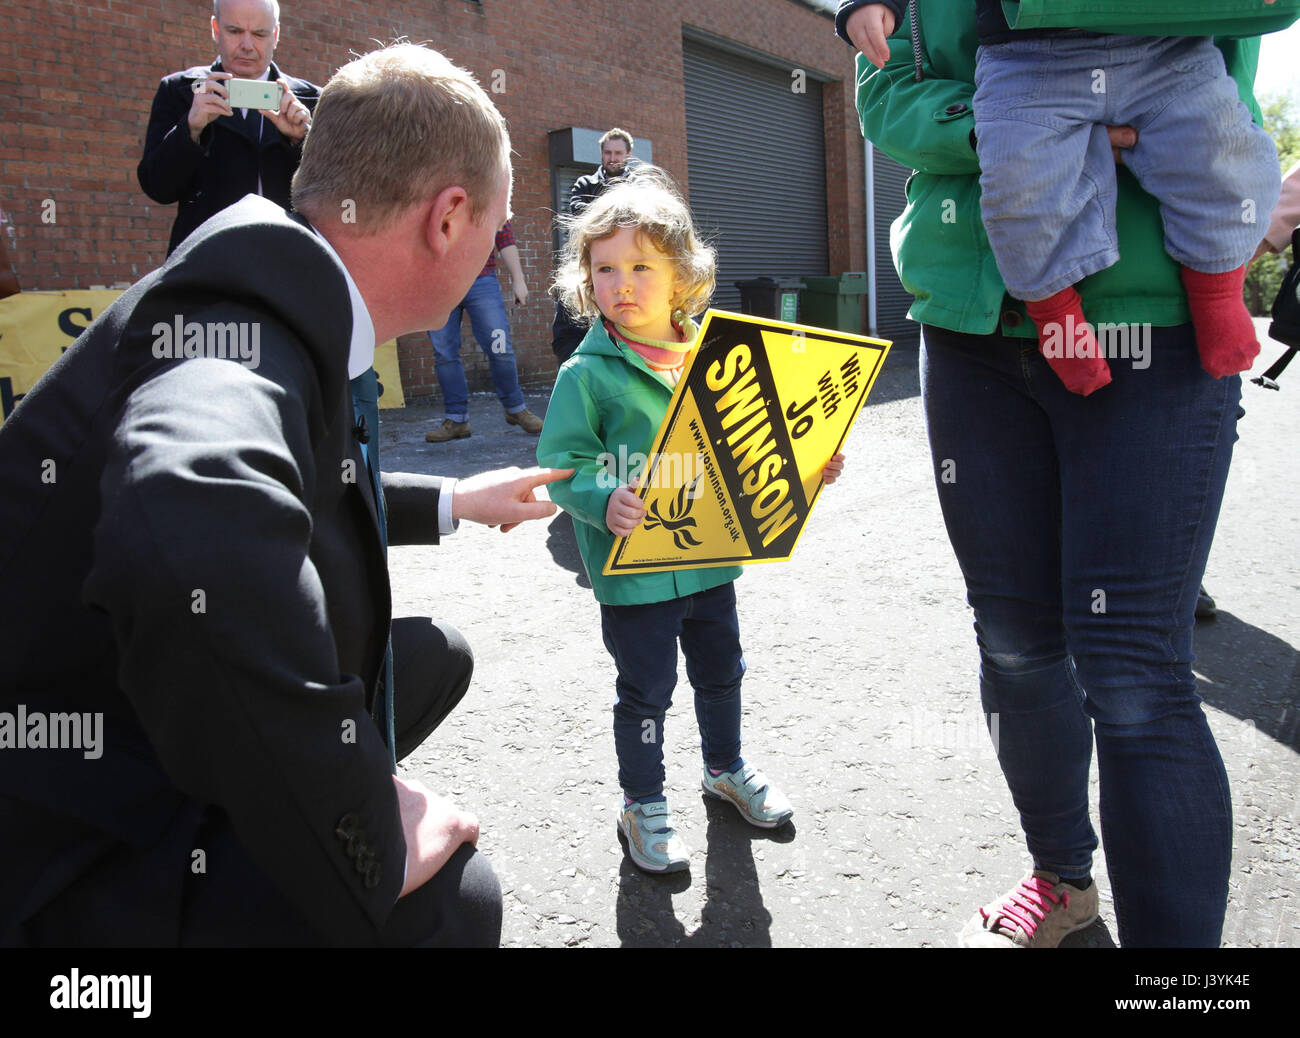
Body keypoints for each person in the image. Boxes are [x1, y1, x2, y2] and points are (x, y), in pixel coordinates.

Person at [0, 43, 570, 947]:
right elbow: (187, 524)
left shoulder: (280, 289)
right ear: (448, 217)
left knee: (435, 656)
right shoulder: (236, 328)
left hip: (122, 721)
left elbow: (293, 478)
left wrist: (459, 500)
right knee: (456, 904)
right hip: (65, 845)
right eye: (499, 229)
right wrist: (365, 835)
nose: (495, 253)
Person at [839, 0, 1293, 946]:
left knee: (1134, 674)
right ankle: (1062, 879)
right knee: (1012, 640)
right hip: (967, 327)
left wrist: (1062, 114)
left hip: (1156, 324)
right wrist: (1031, 121)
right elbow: (883, 99)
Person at [536, 168, 845, 873]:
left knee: (722, 670)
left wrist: (810, 463)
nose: (622, 282)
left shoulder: (718, 355)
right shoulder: (586, 374)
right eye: (605, 267)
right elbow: (562, 465)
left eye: (642, 265)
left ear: (683, 274)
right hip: (633, 575)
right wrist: (598, 496)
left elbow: (753, 442)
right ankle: (642, 800)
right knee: (645, 690)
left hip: (711, 560)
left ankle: (724, 767)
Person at [855, 2, 1281, 397]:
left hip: (1165, 43)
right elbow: (886, 95)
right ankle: (1055, 315)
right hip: (1028, 54)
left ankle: (1217, 293)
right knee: (1018, 190)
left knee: (1223, 153)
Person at [137, 0, 318, 255]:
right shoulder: (180, 91)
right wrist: (191, 128)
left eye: (259, 34)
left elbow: (339, 196)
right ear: (215, 29)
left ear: (275, 35)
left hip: (287, 264)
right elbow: (158, 187)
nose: (247, 45)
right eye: (235, 31)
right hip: (205, 266)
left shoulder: (311, 100)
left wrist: (301, 141)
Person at [424, 219, 544, 442]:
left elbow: (504, 235)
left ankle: (515, 408)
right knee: (444, 352)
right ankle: (457, 419)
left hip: (481, 281)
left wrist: (519, 279)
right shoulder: (427, 190)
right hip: (438, 282)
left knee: (500, 347)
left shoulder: (484, 187)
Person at [551, 128, 636, 362]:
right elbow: (578, 213)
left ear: (628, 155)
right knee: (569, 328)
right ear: (601, 154)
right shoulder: (585, 183)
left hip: (628, 265)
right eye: (608, 152)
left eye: (618, 153)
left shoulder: (640, 185)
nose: (612, 158)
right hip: (587, 264)